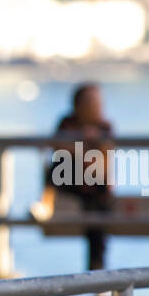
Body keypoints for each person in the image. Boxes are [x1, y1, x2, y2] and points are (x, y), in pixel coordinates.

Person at [46, 83, 114, 272]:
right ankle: (46, 202)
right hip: (69, 180)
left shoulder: (104, 126)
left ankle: (96, 278)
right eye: (91, 102)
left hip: (94, 186)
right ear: (78, 105)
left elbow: (104, 156)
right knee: (59, 164)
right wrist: (87, 146)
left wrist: (78, 147)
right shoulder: (67, 123)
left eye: (98, 102)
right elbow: (58, 148)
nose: (96, 106)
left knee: (97, 226)